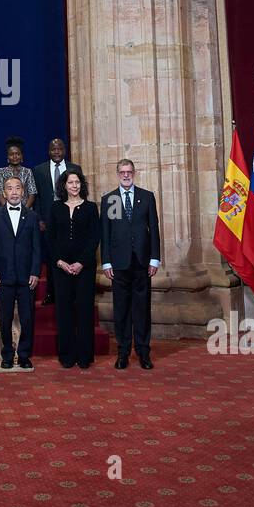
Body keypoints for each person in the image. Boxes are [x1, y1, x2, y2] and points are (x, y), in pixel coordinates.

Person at [100, 159, 161, 370]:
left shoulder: (146, 197)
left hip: (142, 263)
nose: (126, 175)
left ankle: (143, 352)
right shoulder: (110, 200)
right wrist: (106, 262)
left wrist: (155, 258)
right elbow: (106, 234)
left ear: (134, 173)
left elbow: (154, 230)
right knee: (122, 310)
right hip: (118, 265)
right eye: (122, 172)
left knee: (142, 309)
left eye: (129, 172)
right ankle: (123, 352)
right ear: (117, 174)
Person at [0, 176, 42, 369]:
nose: (14, 192)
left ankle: (25, 355)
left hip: (27, 277)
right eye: (10, 188)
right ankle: (8, 355)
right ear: (4, 193)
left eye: (18, 188)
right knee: (5, 318)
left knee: (27, 318)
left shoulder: (32, 216)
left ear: (23, 191)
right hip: (4, 276)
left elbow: (37, 248)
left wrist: (36, 271)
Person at [47, 169, 99, 369]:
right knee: (64, 311)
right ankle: (67, 355)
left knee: (85, 311)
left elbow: (94, 238)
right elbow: (50, 239)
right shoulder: (55, 208)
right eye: (70, 182)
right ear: (64, 185)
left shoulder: (91, 208)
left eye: (77, 182)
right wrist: (59, 262)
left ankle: (85, 356)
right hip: (61, 268)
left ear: (81, 185)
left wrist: (81, 263)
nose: (74, 186)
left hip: (84, 268)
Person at [33, 138, 78, 305]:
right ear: (49, 151)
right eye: (53, 149)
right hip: (48, 220)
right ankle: (51, 293)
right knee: (53, 256)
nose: (57, 152)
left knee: (70, 254)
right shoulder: (39, 170)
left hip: (71, 218)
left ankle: (71, 293)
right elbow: (36, 198)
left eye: (59, 149)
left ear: (64, 150)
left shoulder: (74, 168)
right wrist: (39, 218)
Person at [0, 136, 37, 208]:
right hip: (6, 210)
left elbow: (32, 193)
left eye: (17, 154)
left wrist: (24, 211)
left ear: (22, 156)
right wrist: (8, 210)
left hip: (26, 210)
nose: (15, 157)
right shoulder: (2, 171)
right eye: (11, 154)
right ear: (7, 157)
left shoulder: (28, 171)